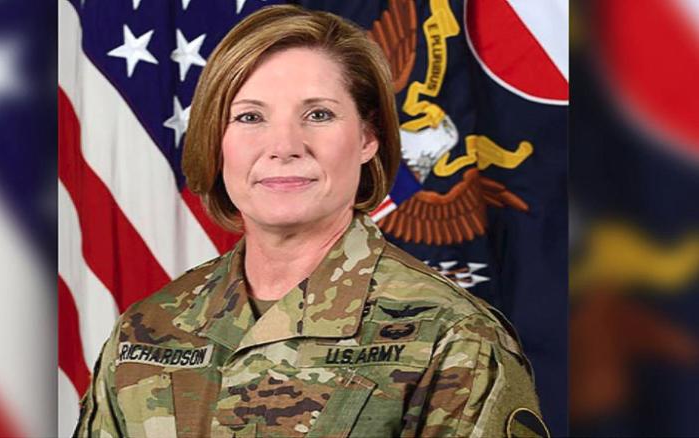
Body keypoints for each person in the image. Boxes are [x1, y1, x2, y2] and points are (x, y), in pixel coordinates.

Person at [74, 5, 547, 437]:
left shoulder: (451, 337)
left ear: (368, 138)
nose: (284, 146)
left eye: (319, 114)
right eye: (250, 117)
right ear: (216, 141)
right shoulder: (147, 331)